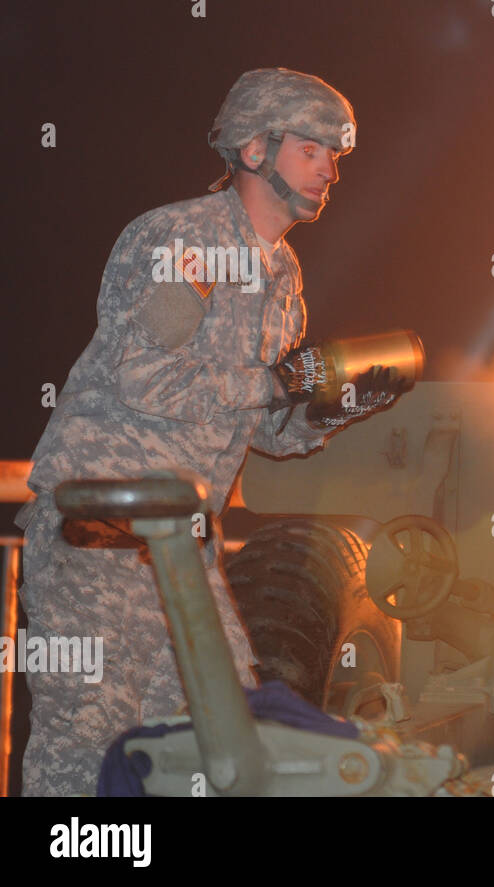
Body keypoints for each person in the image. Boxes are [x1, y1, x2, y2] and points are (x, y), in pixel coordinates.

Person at [16, 68, 399, 796]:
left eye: (336, 155)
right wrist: (278, 382)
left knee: (212, 744)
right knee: (84, 751)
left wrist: (337, 402)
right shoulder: (181, 236)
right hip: (97, 533)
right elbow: (146, 378)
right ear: (255, 150)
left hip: (180, 545)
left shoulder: (282, 273)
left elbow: (268, 430)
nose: (330, 168)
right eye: (312, 148)